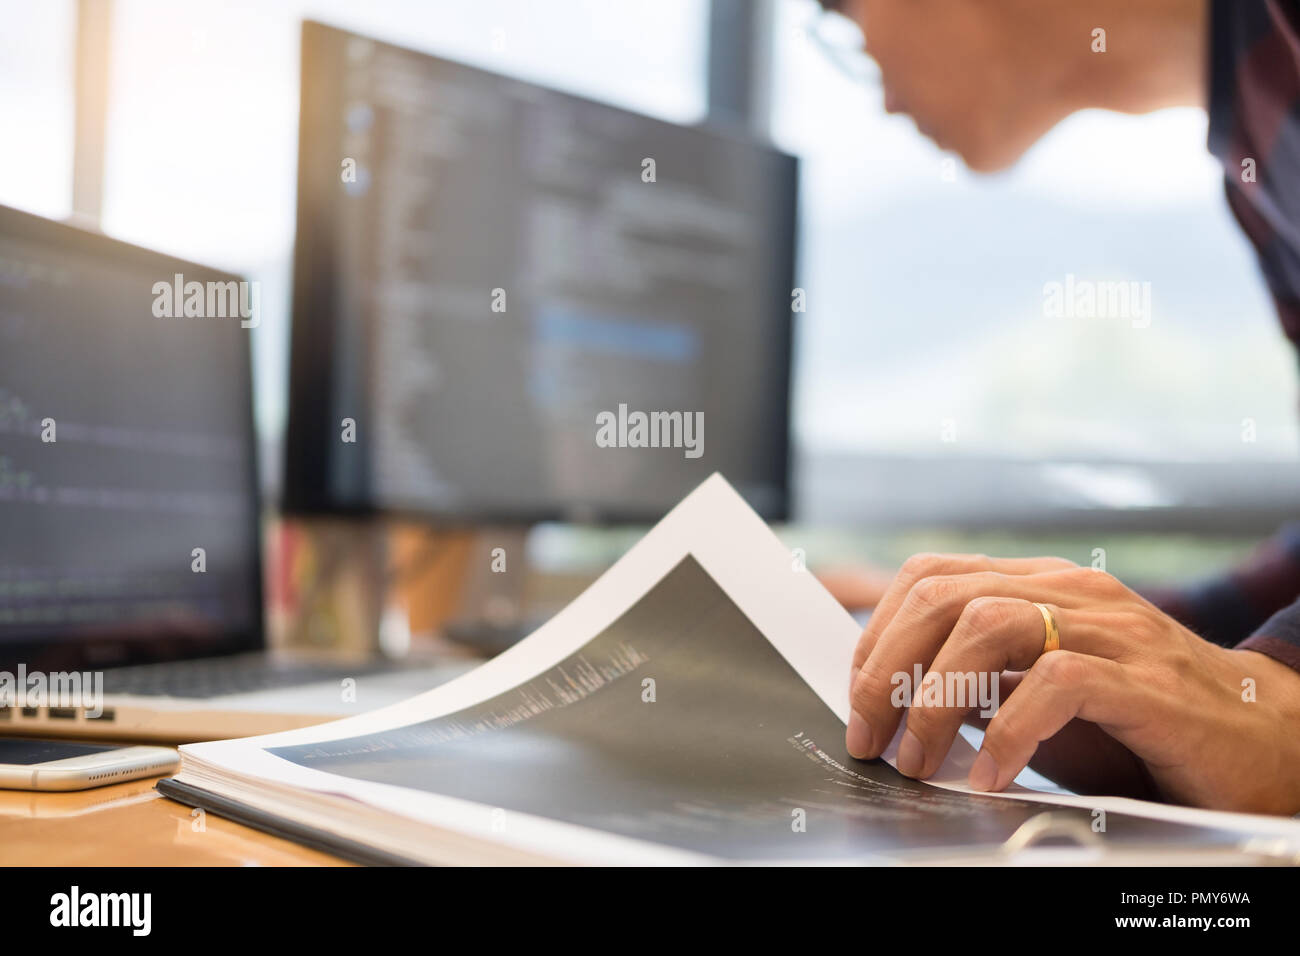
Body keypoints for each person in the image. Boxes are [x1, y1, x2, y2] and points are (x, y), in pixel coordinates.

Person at [819, 0, 1300, 814]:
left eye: (836, 10)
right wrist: (1079, 638)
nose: (872, 82)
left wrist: (1276, 698)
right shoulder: (1256, 158)